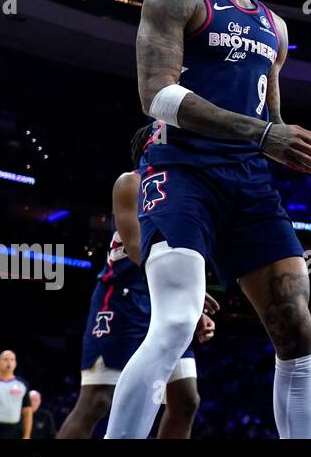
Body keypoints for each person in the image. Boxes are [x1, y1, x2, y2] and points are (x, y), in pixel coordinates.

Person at [105, 0, 311, 440]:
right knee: (173, 324)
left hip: (247, 181)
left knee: (298, 329)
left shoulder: (275, 26)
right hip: (181, 172)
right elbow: (158, 99)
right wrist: (265, 133)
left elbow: (271, 118)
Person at [60, 124, 217, 439]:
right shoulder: (131, 183)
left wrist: (188, 304)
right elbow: (136, 250)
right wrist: (186, 302)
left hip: (165, 300)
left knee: (186, 401)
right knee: (96, 400)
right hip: (123, 296)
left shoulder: (188, 192)